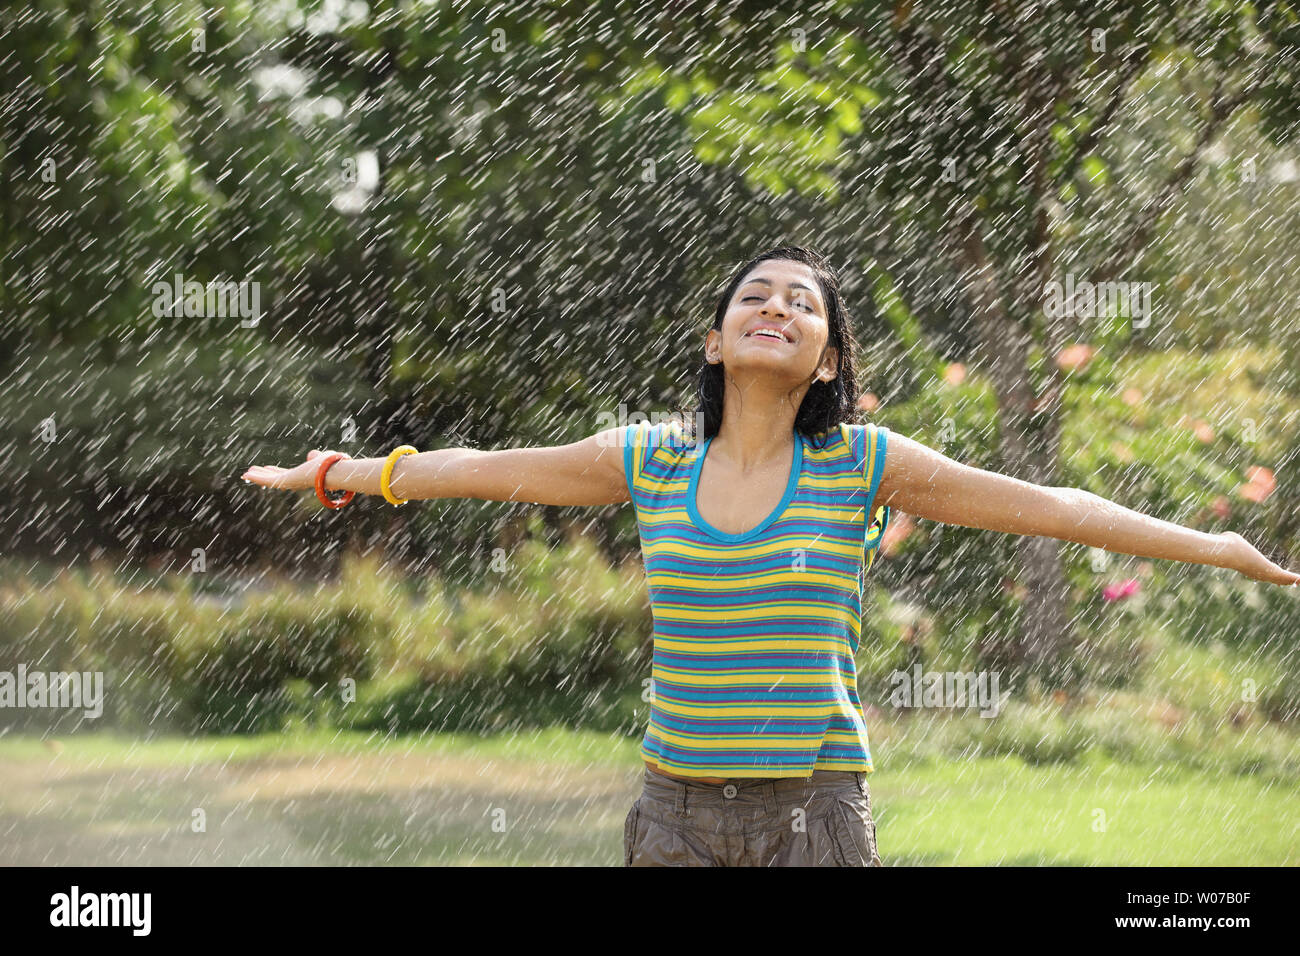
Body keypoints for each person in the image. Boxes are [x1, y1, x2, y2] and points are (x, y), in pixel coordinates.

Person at [242, 244, 1300, 867]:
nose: (775, 306)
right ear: (714, 340)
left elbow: (1051, 505)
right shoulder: (649, 457)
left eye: (803, 303)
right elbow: (479, 467)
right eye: (754, 294)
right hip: (672, 809)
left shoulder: (861, 459)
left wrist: (1210, 542)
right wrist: (344, 472)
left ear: (829, 357)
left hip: (815, 808)